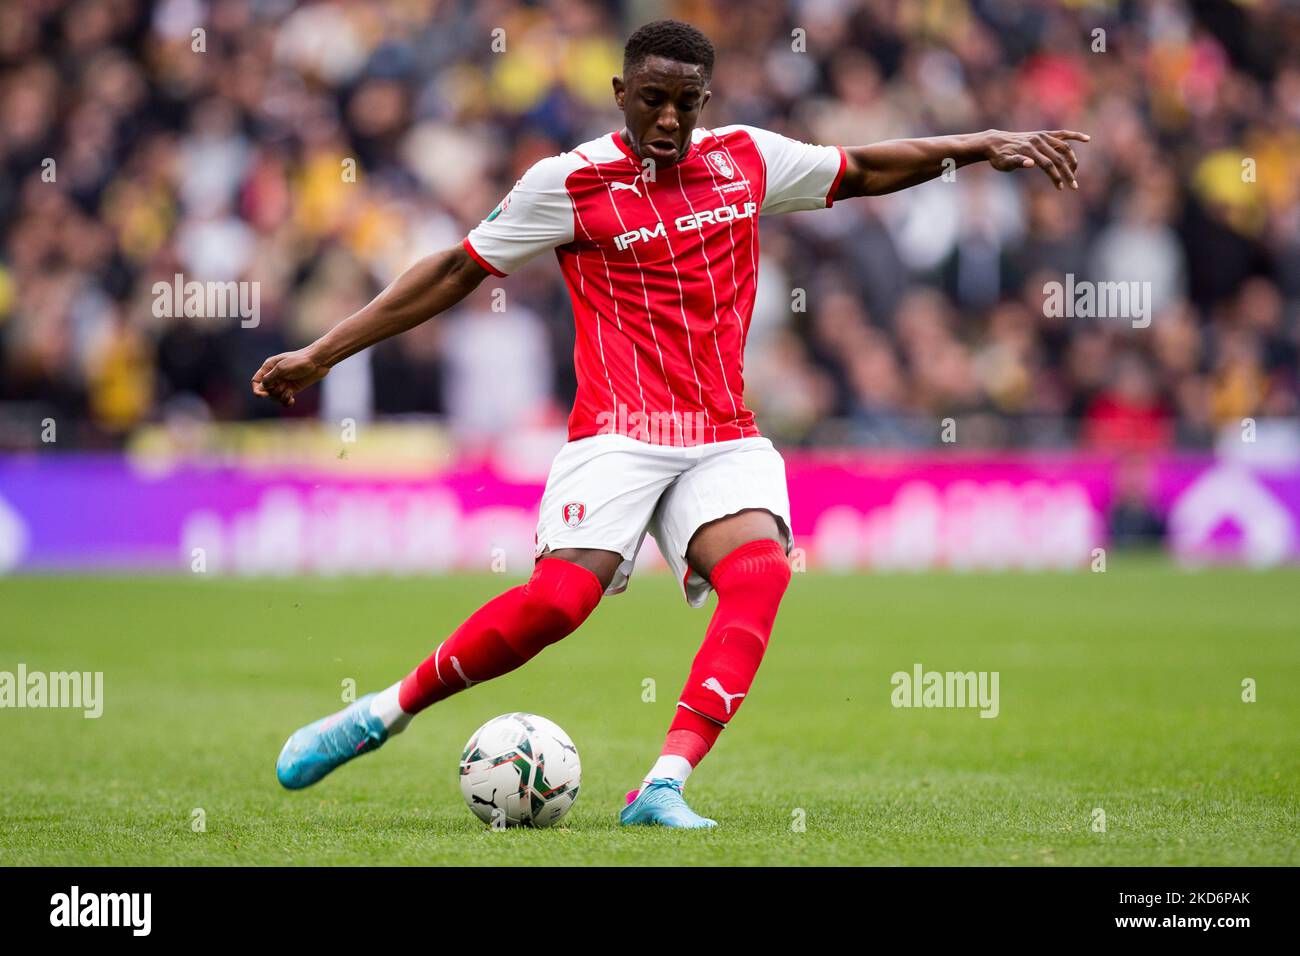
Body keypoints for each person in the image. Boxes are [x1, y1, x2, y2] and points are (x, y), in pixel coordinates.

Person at [253, 18, 1087, 828]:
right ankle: (382, 713)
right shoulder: (569, 182)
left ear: (704, 99)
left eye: (685, 102)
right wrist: (324, 353)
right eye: (652, 98)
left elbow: (864, 167)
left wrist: (979, 143)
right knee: (557, 605)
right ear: (619, 92)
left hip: (722, 434)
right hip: (616, 431)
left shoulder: (745, 159)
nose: (668, 118)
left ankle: (662, 783)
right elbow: (452, 271)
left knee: (760, 572)